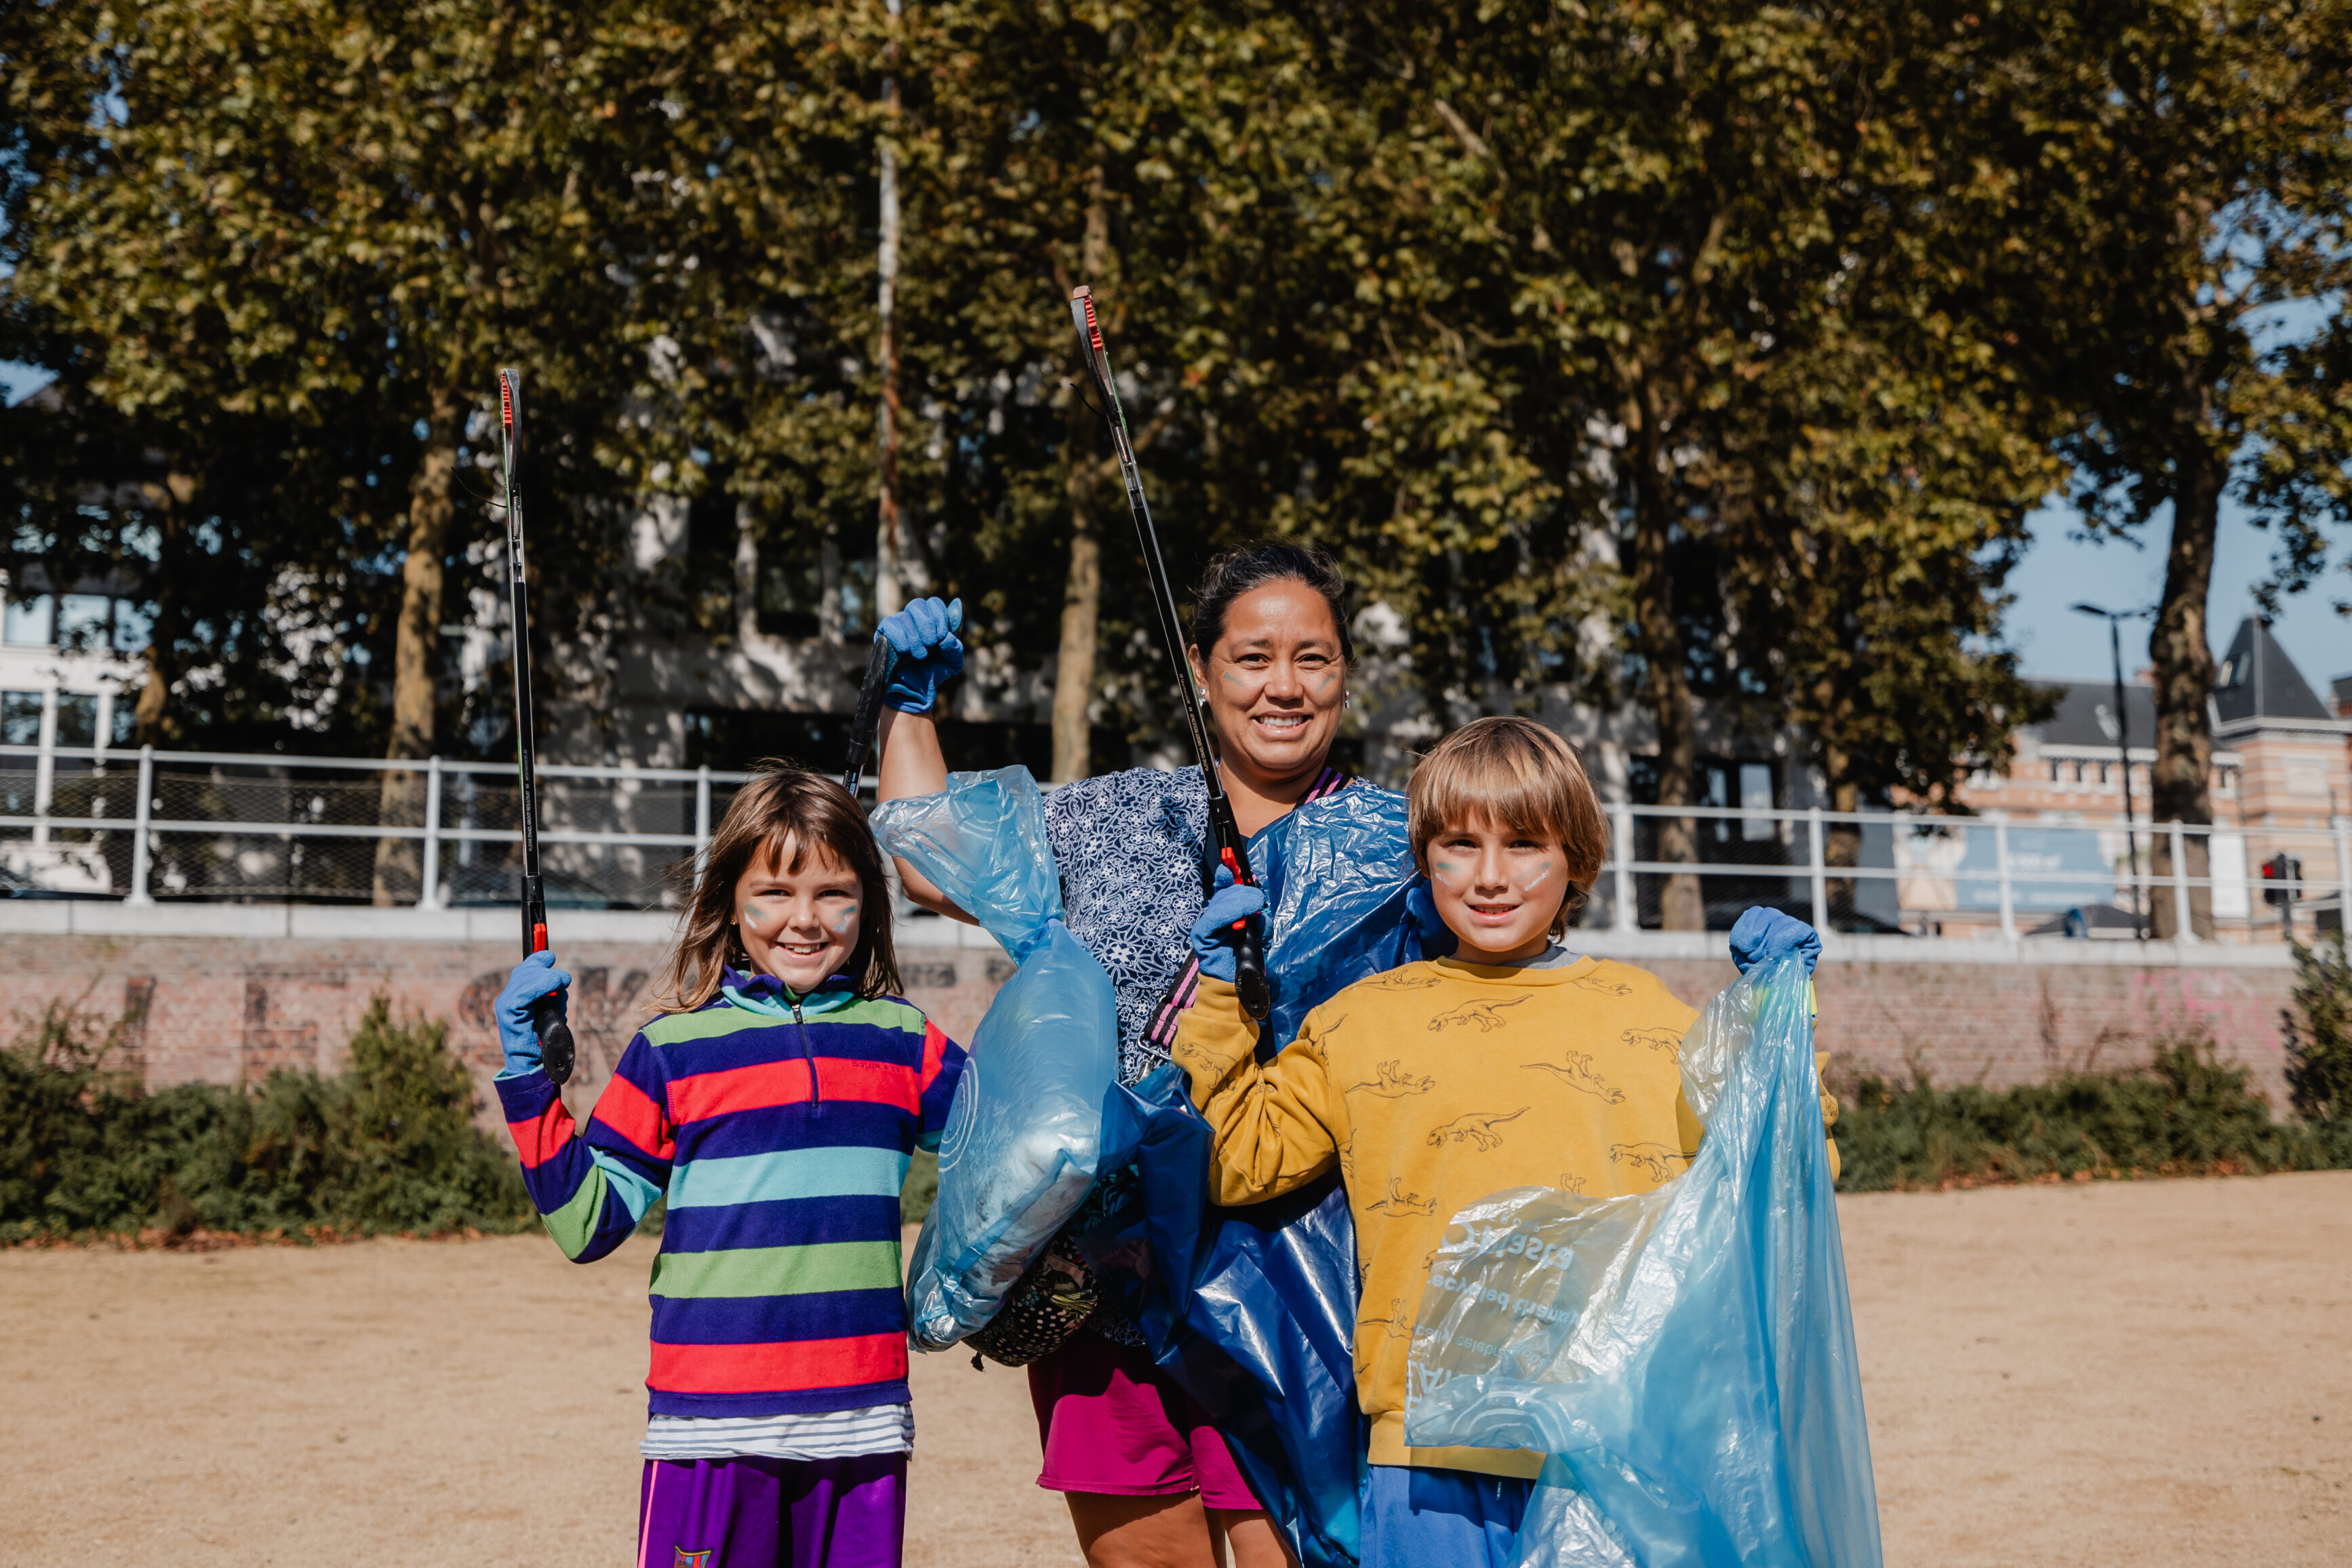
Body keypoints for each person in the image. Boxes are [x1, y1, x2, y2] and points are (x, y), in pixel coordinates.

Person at [1170, 716, 1836, 1568]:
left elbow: (1785, 1177)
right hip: (1426, 1451)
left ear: (1576, 861)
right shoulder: (1360, 1022)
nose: (1489, 877)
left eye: (1524, 844)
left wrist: (1781, 1019)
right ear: (1424, 859)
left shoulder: (1654, 1021)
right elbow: (1234, 1161)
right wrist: (1221, 999)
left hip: (1616, 1448)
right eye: (1458, 844)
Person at [873, 543, 1377, 1568]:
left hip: (1291, 1292)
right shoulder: (1119, 813)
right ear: (1200, 668)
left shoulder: (1392, 844)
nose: (1283, 686)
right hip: (1102, 1284)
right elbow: (935, 867)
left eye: (1313, 659)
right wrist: (907, 706)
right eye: (1253, 657)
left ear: (1344, 674)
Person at [492, 765, 968, 1568]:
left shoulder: (906, 1040)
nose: (805, 920)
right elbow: (585, 1226)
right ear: (729, 902)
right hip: (709, 1429)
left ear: (869, 903)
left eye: (834, 892)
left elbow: (1007, 1159)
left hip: (865, 1426)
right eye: (776, 892)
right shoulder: (670, 1050)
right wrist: (528, 1081)